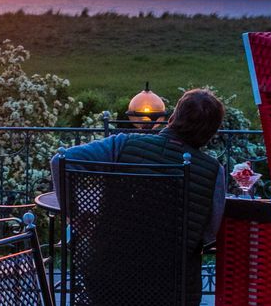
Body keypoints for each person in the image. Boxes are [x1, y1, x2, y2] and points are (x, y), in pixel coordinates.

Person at [52, 88, 226, 305]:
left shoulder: (122, 144)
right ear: (210, 133)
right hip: (171, 293)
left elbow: (60, 161)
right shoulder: (213, 171)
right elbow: (209, 234)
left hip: (107, 284)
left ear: (172, 117)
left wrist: (73, 215)